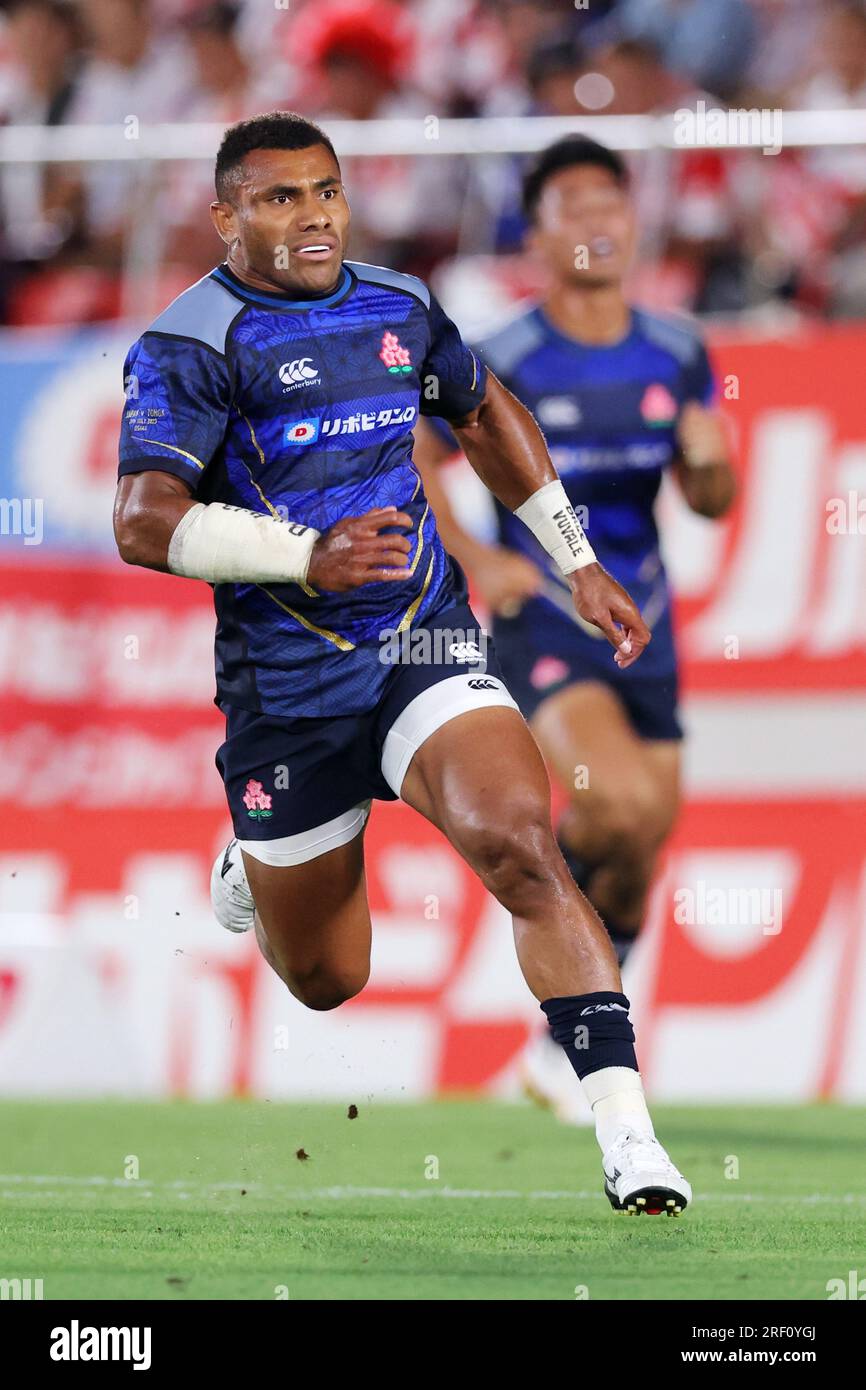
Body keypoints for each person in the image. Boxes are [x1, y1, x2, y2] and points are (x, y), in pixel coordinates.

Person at [113, 110, 691, 1216]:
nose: (313, 215)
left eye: (325, 191)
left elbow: (482, 414)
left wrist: (572, 558)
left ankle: (626, 1135)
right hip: (284, 694)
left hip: (420, 643)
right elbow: (144, 520)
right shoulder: (189, 344)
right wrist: (304, 555)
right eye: (279, 198)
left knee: (522, 845)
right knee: (330, 979)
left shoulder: (401, 307)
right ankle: (254, 847)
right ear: (225, 216)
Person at [412, 136, 735, 1119]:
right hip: (547, 618)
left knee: (639, 842)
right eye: (572, 206)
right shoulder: (500, 356)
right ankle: (539, 895)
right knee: (619, 805)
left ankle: (562, 1044)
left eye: (610, 203)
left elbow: (712, 499)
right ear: (537, 233)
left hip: (646, 619)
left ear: (632, 223)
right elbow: (421, 462)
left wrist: (708, 461)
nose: (597, 222)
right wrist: (482, 559)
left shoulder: (676, 349)